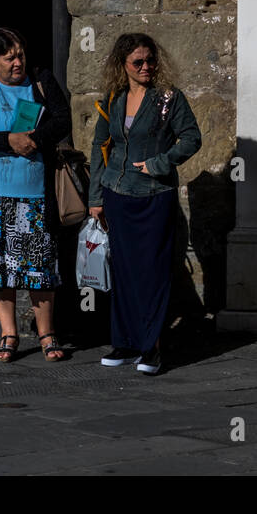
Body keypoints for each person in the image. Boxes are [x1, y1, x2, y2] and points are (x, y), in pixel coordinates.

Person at [88, 33, 202, 376]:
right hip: (117, 194)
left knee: (151, 272)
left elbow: (192, 137)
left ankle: (151, 346)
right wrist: (95, 197)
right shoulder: (114, 98)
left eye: (150, 60)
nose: (146, 67)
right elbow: (99, 147)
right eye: (137, 62)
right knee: (123, 271)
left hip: (153, 195)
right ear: (122, 65)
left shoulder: (168, 99)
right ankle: (124, 341)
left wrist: (160, 162)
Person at [0, 28, 72, 362]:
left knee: (38, 268)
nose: (17, 62)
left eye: (20, 54)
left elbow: (62, 119)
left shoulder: (41, 81)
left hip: (34, 195)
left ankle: (47, 334)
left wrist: (35, 138)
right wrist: (8, 140)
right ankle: (9, 333)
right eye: (9, 58)